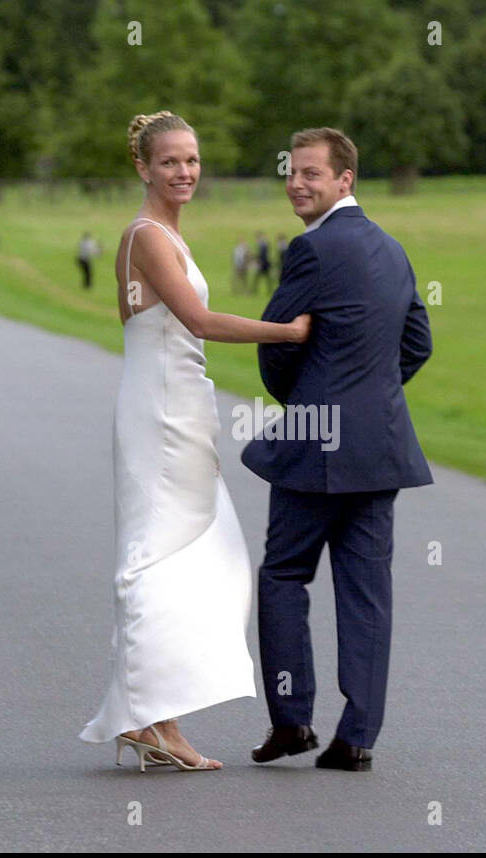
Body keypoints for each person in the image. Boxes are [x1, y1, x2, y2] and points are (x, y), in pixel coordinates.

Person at [79, 111, 311, 771]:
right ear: (143, 168)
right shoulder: (146, 235)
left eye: (192, 160)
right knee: (154, 557)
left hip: (179, 407)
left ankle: (157, 716)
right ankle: (149, 721)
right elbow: (199, 320)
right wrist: (290, 333)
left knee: (212, 563)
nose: (185, 172)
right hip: (157, 412)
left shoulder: (166, 235)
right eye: (171, 162)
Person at [242, 127, 433, 772]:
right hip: (379, 448)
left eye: (311, 174)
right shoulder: (395, 249)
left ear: (345, 181)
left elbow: (276, 341)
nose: (297, 183)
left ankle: (293, 721)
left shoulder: (312, 250)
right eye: (291, 172)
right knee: (366, 590)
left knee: (282, 576)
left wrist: (306, 401)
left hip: (314, 446)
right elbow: (417, 345)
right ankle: (357, 738)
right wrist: (369, 397)